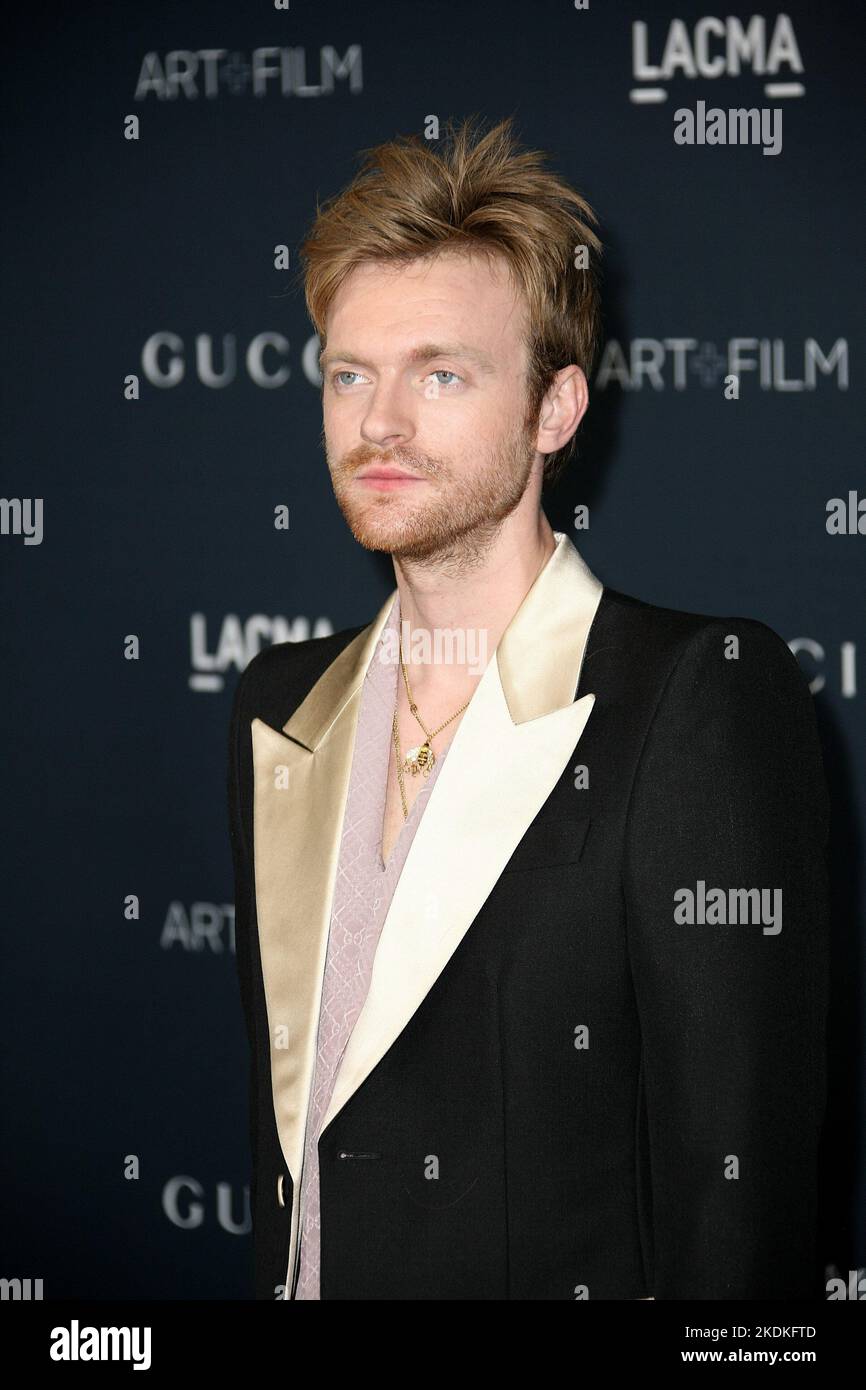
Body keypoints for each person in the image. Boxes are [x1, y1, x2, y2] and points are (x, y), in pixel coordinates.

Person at [227, 116, 830, 1300]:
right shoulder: (280, 705)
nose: (378, 423)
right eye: (350, 374)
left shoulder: (695, 702)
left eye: (439, 373)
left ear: (554, 411)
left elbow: (736, 1218)